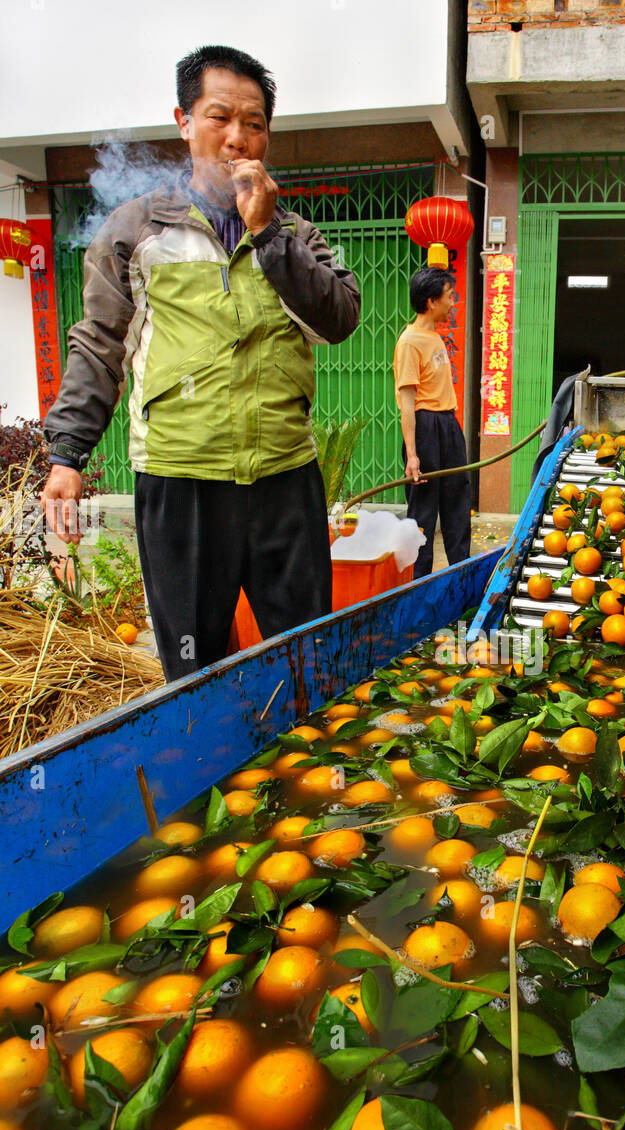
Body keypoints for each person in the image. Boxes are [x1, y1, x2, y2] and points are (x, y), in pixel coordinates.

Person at [40, 44, 360, 681]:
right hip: (181, 482)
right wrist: (65, 456)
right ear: (184, 121)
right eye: (220, 118)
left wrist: (267, 235)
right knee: (193, 670)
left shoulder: (294, 234)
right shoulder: (136, 231)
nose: (237, 139)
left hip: (284, 479)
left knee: (308, 664)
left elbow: (340, 319)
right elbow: (99, 344)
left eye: (255, 124)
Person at [394, 267, 470, 577]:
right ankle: (419, 585)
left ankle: (463, 576)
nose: (453, 302)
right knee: (424, 511)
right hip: (426, 428)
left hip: (448, 426)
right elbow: (407, 403)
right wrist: (413, 454)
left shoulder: (433, 336)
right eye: (449, 296)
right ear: (431, 302)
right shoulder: (410, 342)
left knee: (457, 504)